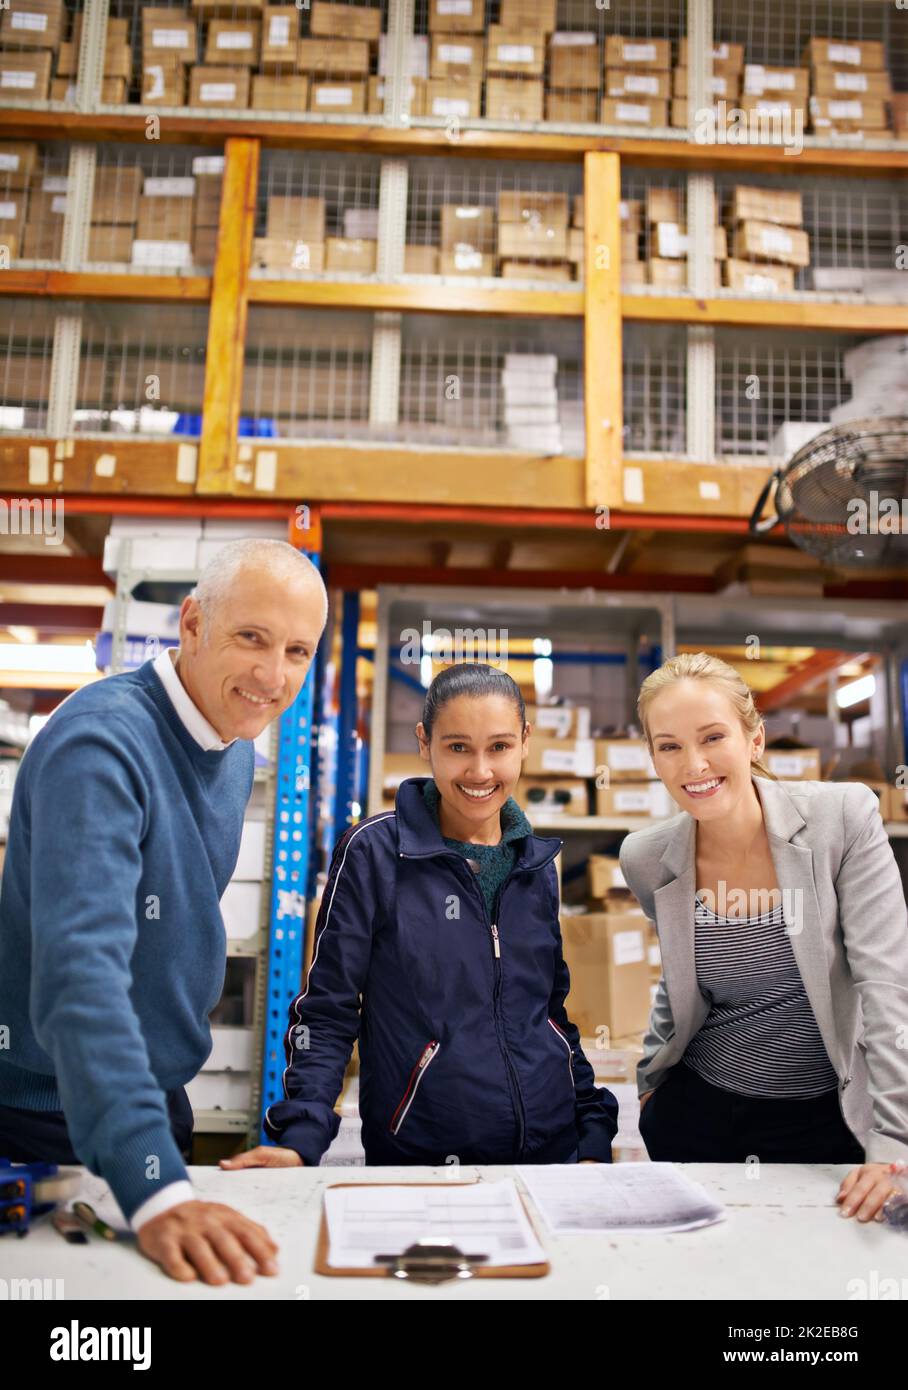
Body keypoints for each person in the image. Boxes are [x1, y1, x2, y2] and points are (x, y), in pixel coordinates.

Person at [0, 538, 327, 1283]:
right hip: (53, 1115)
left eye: (298, 651)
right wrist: (156, 1190)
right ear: (190, 623)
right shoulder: (100, 746)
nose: (273, 676)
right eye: (252, 638)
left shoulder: (231, 743)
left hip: (151, 1100)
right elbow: (81, 980)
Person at [222, 662, 618, 1173]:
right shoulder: (375, 854)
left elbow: (551, 1015)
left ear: (524, 741)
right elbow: (328, 1011)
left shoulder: (534, 864)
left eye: (498, 747)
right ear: (424, 742)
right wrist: (301, 1138)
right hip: (421, 1164)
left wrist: (590, 1138)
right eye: (458, 747)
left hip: (550, 1160)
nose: (480, 772)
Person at [619, 651, 908, 1221]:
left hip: (831, 1120)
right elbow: (679, 980)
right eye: (669, 745)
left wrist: (896, 1140)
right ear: (653, 756)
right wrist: (652, 1080)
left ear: (754, 740)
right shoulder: (647, 856)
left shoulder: (842, 819)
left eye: (712, 737)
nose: (694, 764)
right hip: (700, 1118)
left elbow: (887, 984)